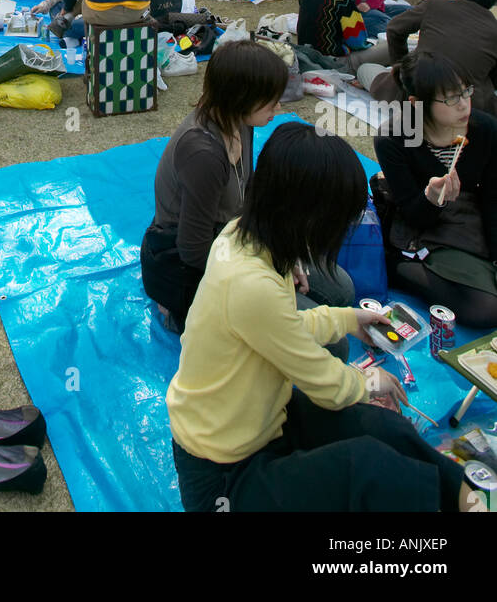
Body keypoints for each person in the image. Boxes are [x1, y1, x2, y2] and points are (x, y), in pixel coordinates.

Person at [167, 121, 472, 514]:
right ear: (306, 216)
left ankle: (464, 493)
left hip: (263, 425)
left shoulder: (245, 236)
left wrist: (350, 320)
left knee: (381, 428)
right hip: (225, 476)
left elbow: (284, 327)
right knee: (367, 466)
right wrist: (368, 380)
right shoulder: (248, 282)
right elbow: (324, 381)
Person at [142, 42, 291, 333]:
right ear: (242, 97)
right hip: (182, 266)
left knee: (337, 290)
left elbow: (249, 193)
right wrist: (261, 271)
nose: (279, 107)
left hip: (226, 240)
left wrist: (280, 250)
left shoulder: (240, 122)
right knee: (311, 332)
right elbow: (193, 250)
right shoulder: (204, 154)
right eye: (271, 100)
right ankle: (177, 309)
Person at [374, 54, 497, 327]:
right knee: (485, 310)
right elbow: (413, 215)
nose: (464, 104)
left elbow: (491, 199)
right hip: (423, 226)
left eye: (466, 91)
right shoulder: (394, 138)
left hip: (470, 217)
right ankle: (398, 268)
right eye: (451, 98)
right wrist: (432, 199)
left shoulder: (485, 128)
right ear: (417, 103)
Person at [356, 0, 497, 116]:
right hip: (469, 109)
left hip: (416, 95)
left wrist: (400, 68)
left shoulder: (436, 3)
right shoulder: (494, 29)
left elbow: (394, 29)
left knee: (365, 69)